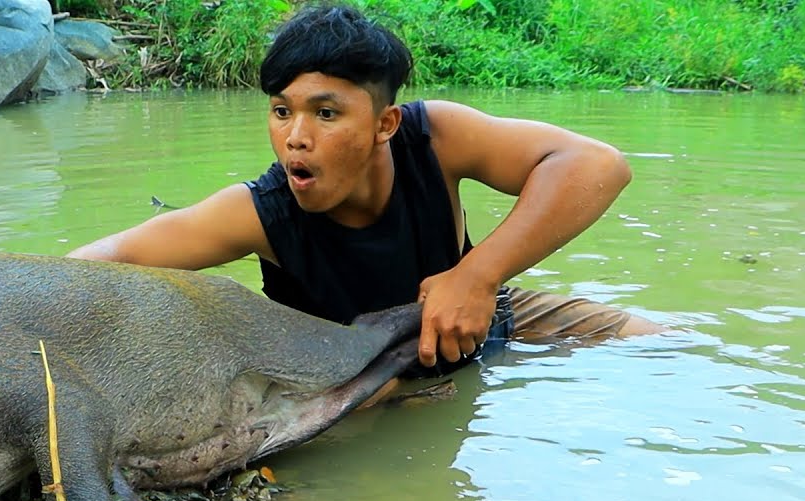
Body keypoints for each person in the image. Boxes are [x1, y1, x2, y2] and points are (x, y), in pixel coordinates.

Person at [70, 2, 665, 379]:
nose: (295, 139)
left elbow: (597, 165)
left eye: (326, 114)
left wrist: (476, 277)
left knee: (663, 347)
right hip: (365, 377)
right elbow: (106, 261)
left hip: (490, 320)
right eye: (281, 111)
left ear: (385, 124)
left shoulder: (435, 139)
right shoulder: (261, 212)